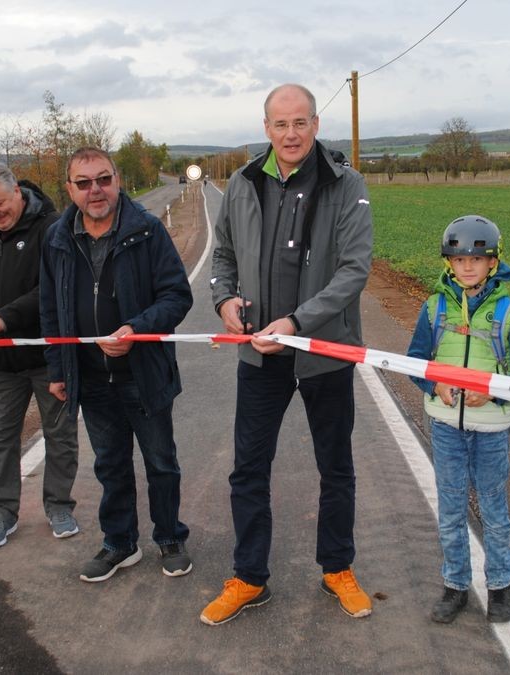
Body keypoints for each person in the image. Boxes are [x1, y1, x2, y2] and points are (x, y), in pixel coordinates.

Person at [201, 83, 373, 625]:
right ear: (267, 128)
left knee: (335, 467)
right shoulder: (243, 183)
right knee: (248, 469)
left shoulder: (347, 185)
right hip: (259, 356)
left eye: (300, 123)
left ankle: (337, 568)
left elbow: (353, 270)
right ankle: (250, 577)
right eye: (281, 124)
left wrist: (298, 322)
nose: (291, 133)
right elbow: (223, 255)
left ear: (316, 125)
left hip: (324, 352)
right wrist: (224, 298)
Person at [39, 147, 194, 583]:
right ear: (70, 189)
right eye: (84, 183)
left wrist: (136, 330)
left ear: (118, 180)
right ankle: (120, 544)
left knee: (161, 462)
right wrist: (57, 369)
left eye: (103, 179)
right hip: (90, 378)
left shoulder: (147, 230)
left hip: (144, 374)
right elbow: (50, 311)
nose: (95, 190)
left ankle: (169, 538)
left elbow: (177, 296)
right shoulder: (56, 239)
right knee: (110, 466)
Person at [405, 215, 510, 624]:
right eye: (459, 259)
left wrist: (495, 388)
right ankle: (455, 586)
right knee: (450, 508)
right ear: (449, 263)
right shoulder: (434, 307)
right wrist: (434, 386)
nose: (468, 267)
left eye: (477, 260)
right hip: (445, 425)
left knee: (494, 508)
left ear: (493, 264)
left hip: (493, 431)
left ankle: (499, 587)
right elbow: (413, 361)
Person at [0, 161, 80, 549]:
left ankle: (59, 506)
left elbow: (52, 288)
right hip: (1, 361)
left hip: (50, 357)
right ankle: (1, 513)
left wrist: (4, 320)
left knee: (60, 435)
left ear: (16, 192)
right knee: (0, 438)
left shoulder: (53, 227)